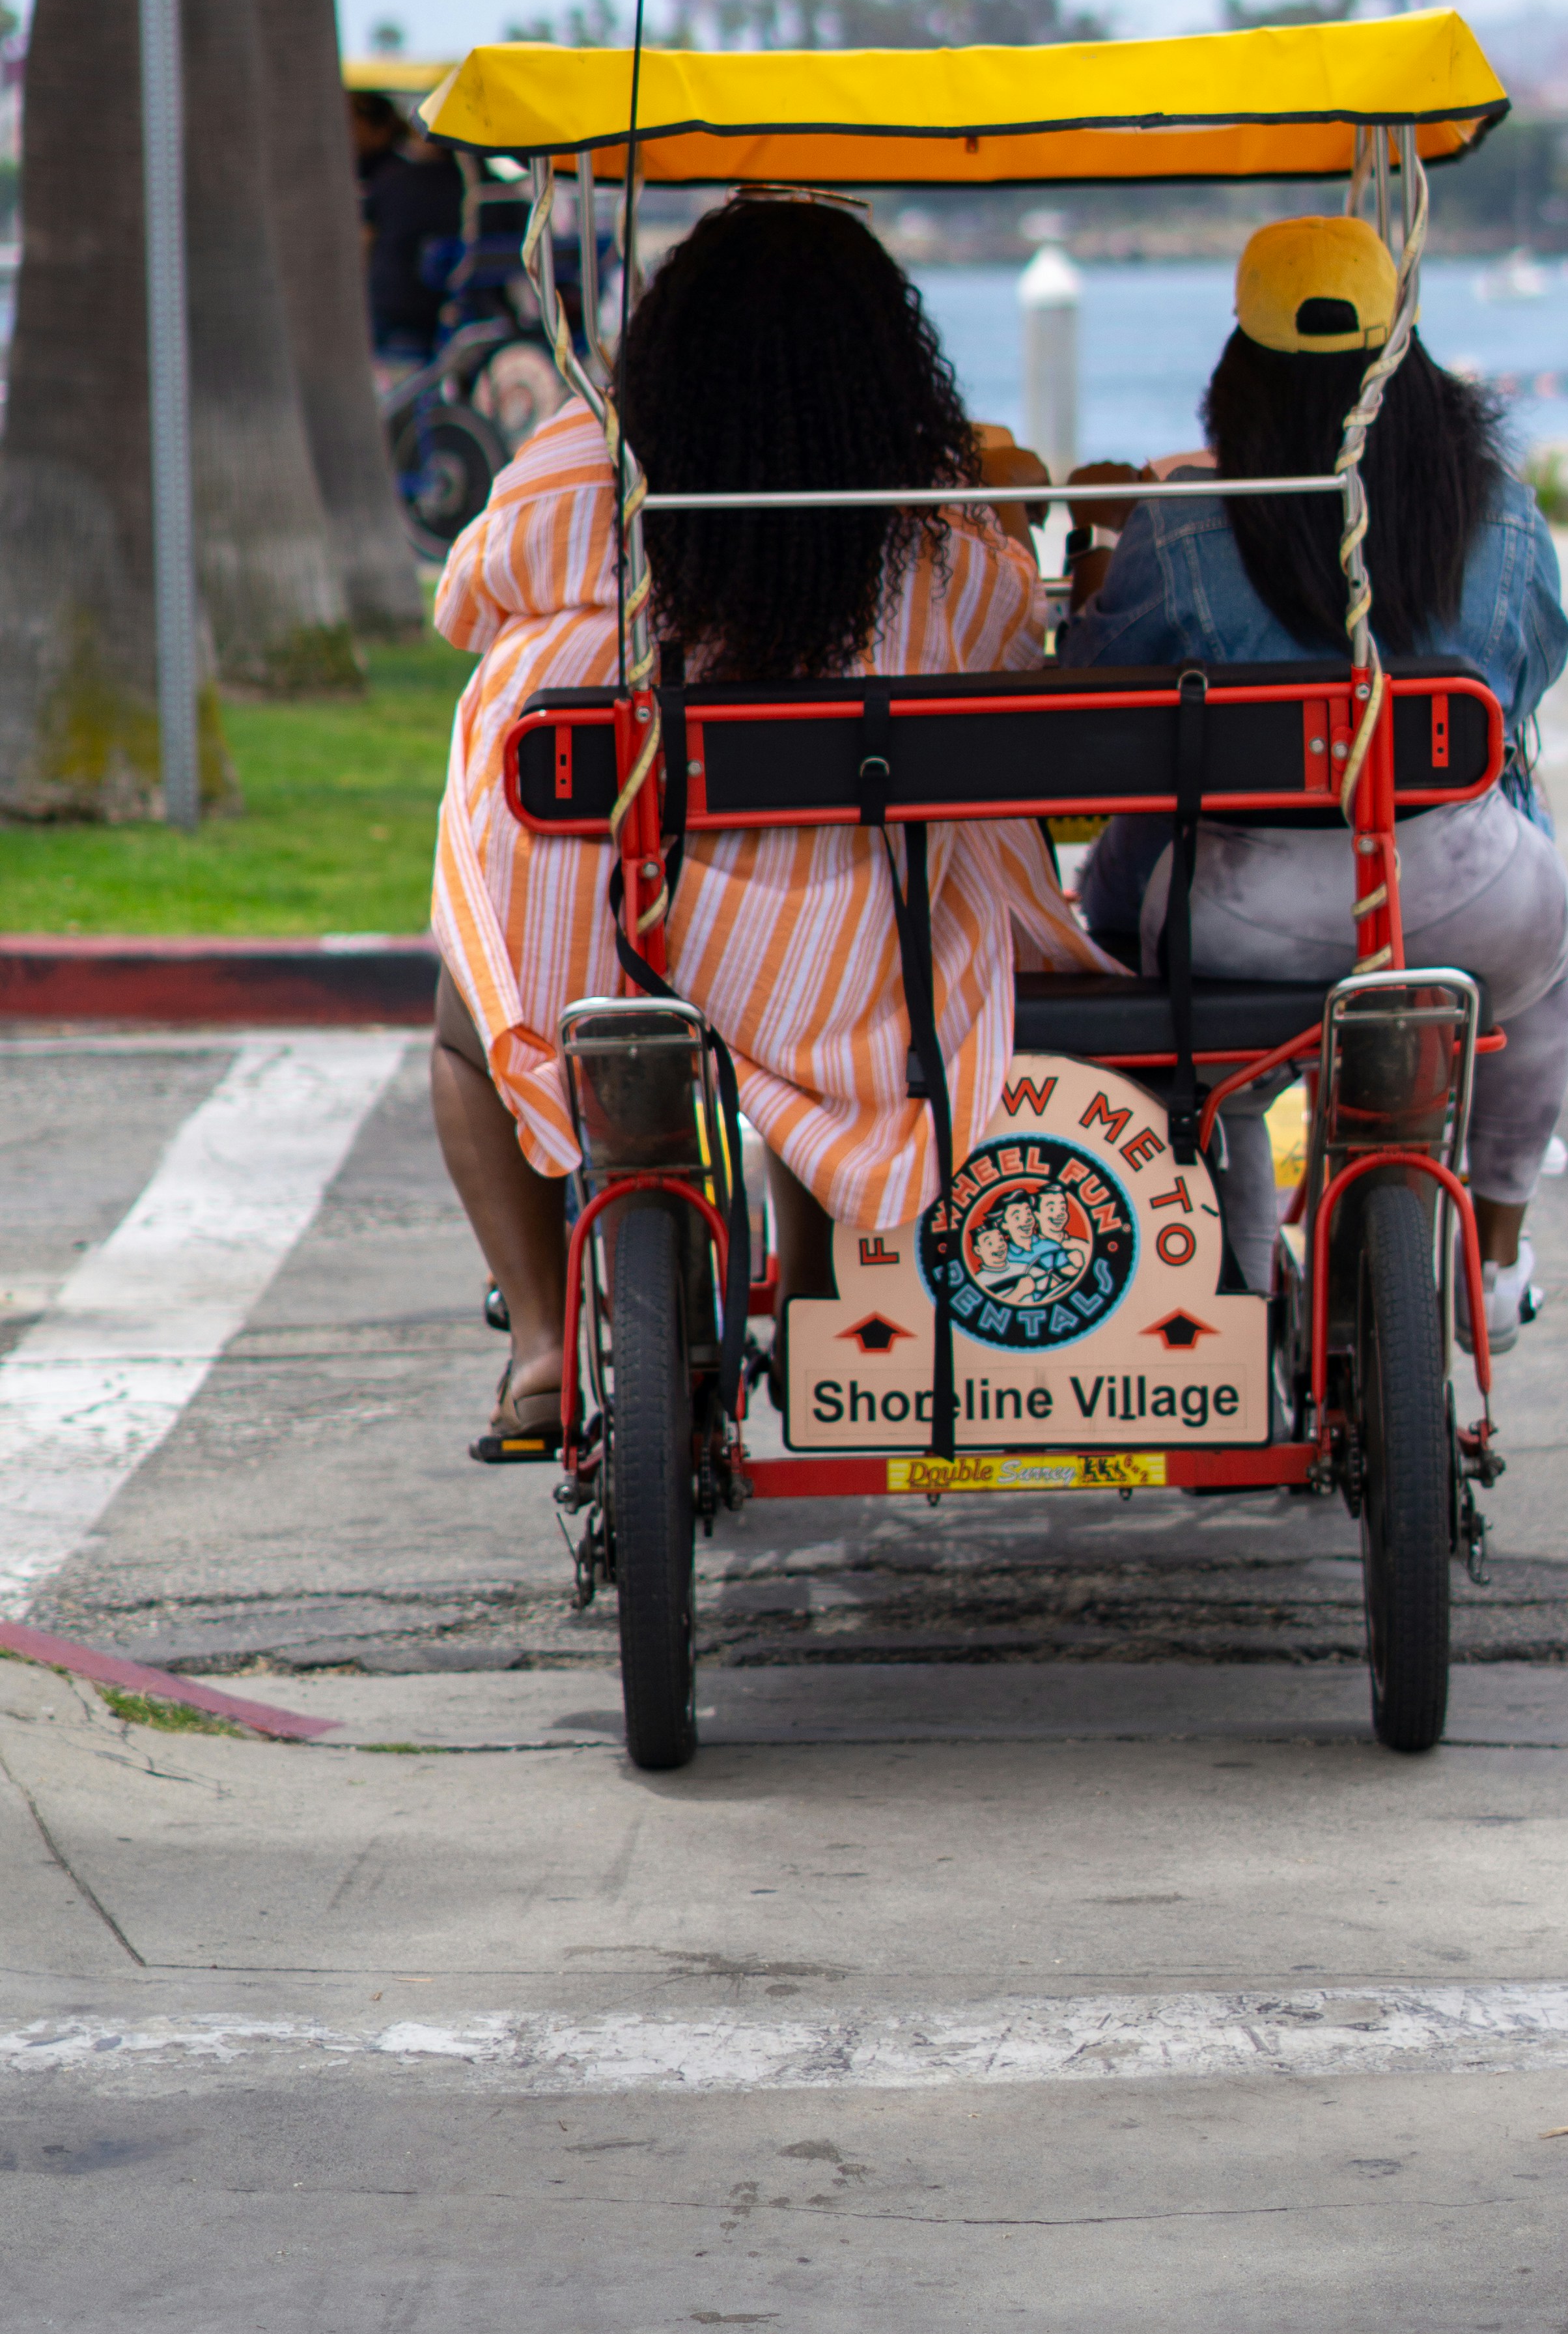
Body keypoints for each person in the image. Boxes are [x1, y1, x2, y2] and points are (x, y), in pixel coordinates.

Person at [430, 194, 1113, 1436]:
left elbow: (467, 594)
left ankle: (539, 1346)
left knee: (465, 1026)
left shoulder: (587, 461)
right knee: (850, 975)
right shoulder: (927, 510)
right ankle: (817, 1306)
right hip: (839, 938)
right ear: (881, 350)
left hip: (596, 898)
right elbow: (1009, 631)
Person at [1056, 212, 1568, 1342]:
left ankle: (1240, 1289)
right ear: (1411, 360)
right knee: (1545, 971)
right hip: (1471, 900)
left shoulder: (1180, 530)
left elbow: (1091, 708)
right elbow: (1525, 685)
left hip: (1245, 923)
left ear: (1238, 373)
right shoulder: (1501, 513)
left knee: (1212, 1071)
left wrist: (1097, 552)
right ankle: (1492, 1255)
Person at [350, 87, 467, 360]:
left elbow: (361, 251)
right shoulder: (486, 190)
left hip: (398, 320)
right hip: (462, 316)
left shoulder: (392, 182)